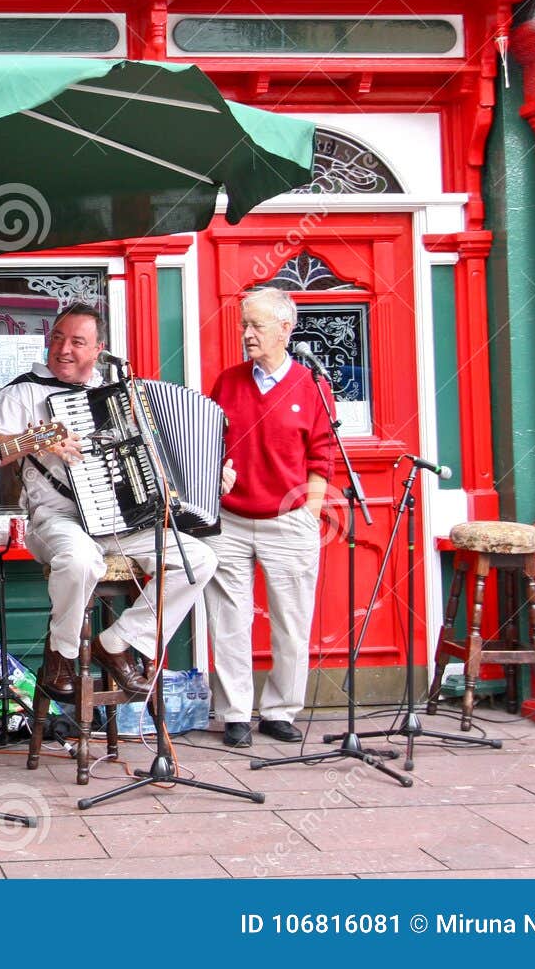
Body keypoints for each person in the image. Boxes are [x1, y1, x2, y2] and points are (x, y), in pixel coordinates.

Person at [0, 304, 232, 701]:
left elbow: (163, 455)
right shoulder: (23, 391)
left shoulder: (122, 394)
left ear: (99, 349)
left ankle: (116, 641)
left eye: (77, 342)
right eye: (58, 338)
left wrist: (214, 476)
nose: (63, 349)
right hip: (56, 519)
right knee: (81, 560)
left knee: (199, 561)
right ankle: (61, 655)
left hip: (117, 521)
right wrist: (34, 441)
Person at [204, 287, 336, 748]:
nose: (247, 334)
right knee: (228, 620)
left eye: (256, 325)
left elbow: (322, 458)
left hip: (290, 519)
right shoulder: (228, 382)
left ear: (286, 328)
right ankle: (236, 712)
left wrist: (310, 513)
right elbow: (208, 443)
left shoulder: (313, 386)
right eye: (244, 325)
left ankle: (280, 710)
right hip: (231, 520)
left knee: (292, 623)